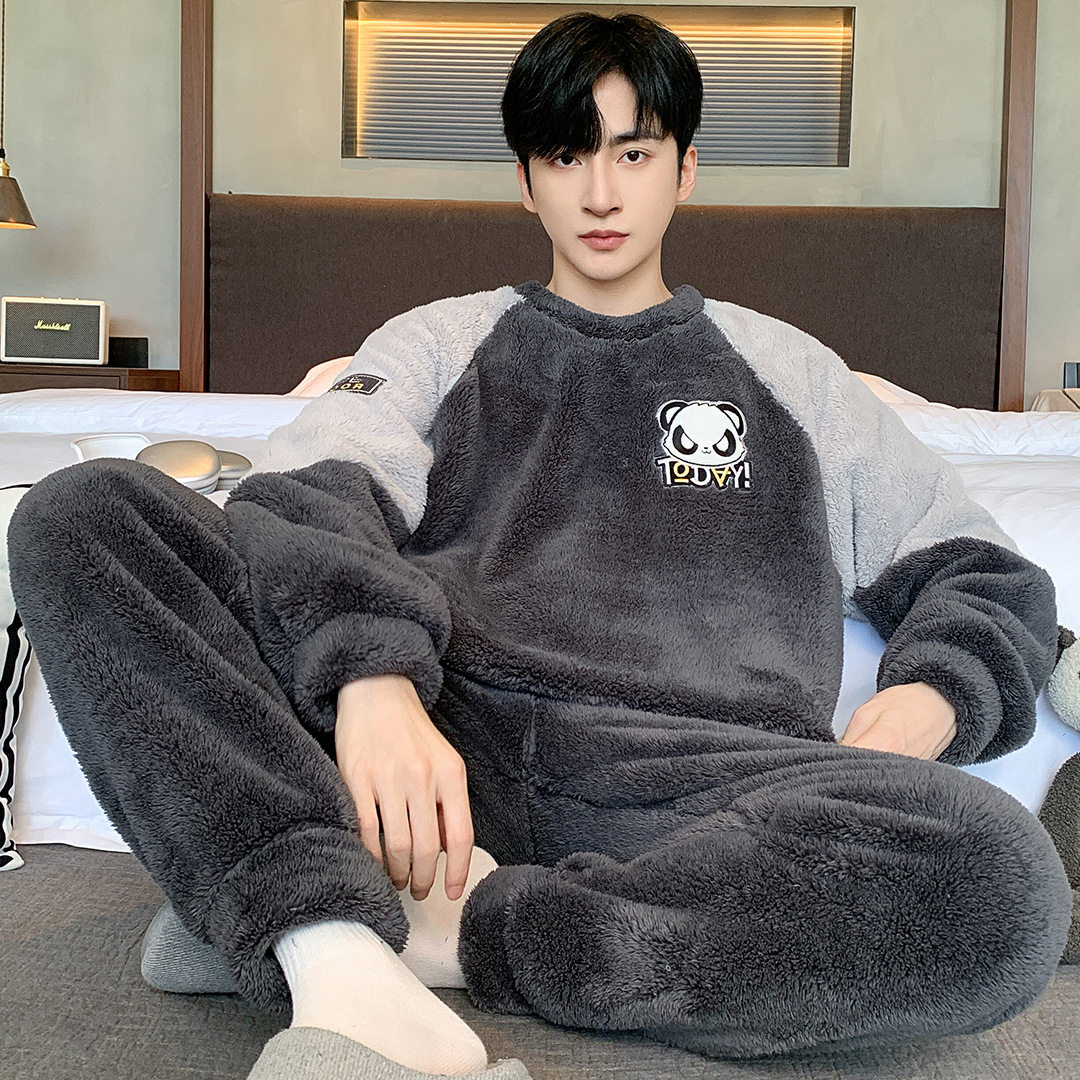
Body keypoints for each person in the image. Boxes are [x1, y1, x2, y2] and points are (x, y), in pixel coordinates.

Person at [8, 12, 1071, 1080]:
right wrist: (373, 683)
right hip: (440, 753)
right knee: (84, 515)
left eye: (633, 155)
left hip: (702, 787)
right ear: (525, 182)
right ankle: (329, 941)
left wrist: (935, 696)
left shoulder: (793, 375)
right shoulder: (437, 342)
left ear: (685, 170)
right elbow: (306, 500)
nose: (601, 194)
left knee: (1002, 887)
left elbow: (981, 572)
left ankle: (430, 930)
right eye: (566, 157)